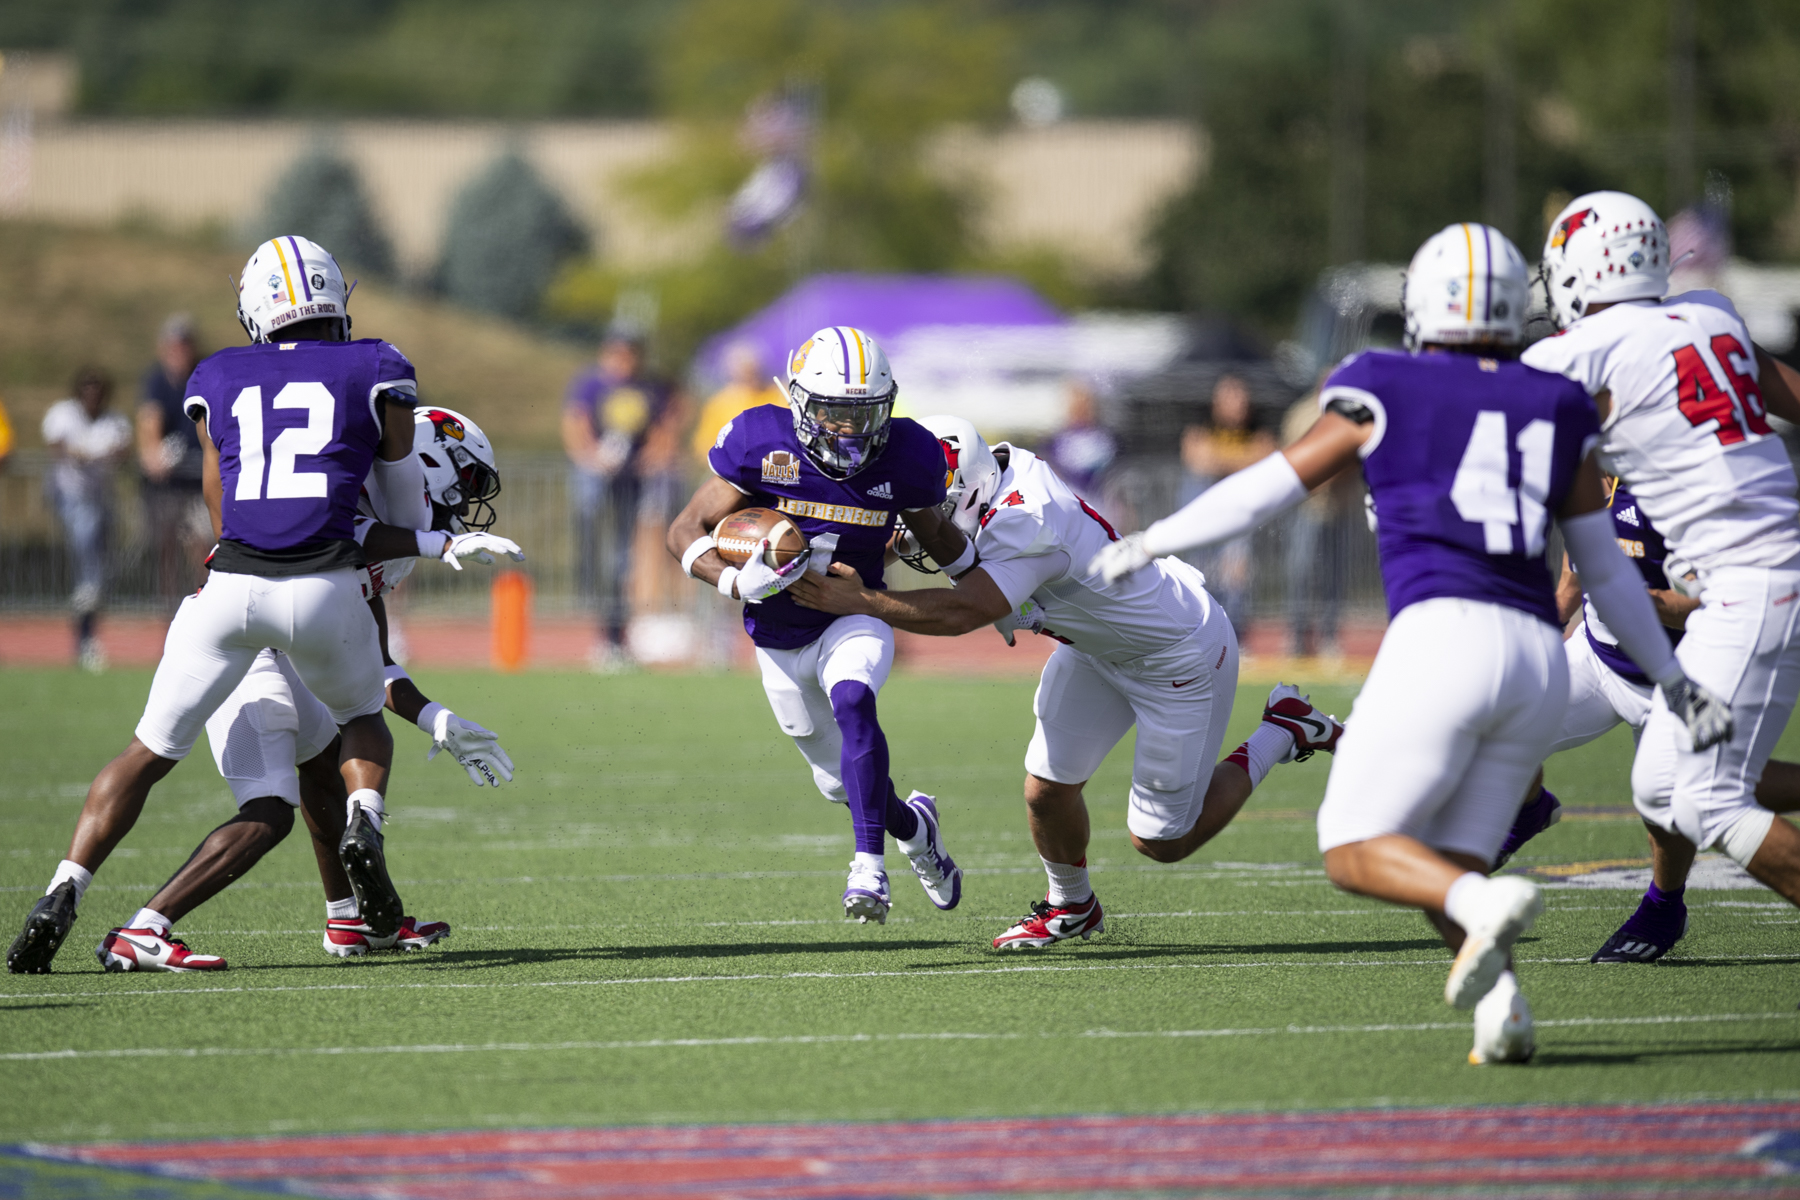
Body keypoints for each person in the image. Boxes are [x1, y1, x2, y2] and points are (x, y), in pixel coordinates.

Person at [1093, 222, 1730, 1065]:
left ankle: (1478, 899)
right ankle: (1501, 1005)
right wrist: (1672, 681)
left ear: (1424, 306)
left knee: (1355, 849)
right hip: (1540, 654)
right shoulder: (1555, 398)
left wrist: (1154, 539)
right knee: (1449, 857)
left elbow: (1271, 486)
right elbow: (1604, 571)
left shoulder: (1381, 380)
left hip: (1443, 638)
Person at [8, 234, 455, 974]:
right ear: (334, 298)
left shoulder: (218, 374)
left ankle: (65, 886)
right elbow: (401, 494)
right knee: (347, 738)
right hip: (314, 585)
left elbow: (221, 495)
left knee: (155, 754)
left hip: (225, 586)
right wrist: (427, 541)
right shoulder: (375, 364)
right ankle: (149, 924)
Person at [792, 415, 1344, 950]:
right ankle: (1072, 907)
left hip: (1176, 656)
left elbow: (963, 611)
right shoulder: (991, 478)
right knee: (1047, 791)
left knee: (1162, 840)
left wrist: (861, 601)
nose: (918, 519)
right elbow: (961, 551)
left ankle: (1283, 729)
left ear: (965, 492)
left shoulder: (1026, 522)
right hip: (1099, 649)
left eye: (927, 507)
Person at [94, 406, 520, 971]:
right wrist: (432, 543)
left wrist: (436, 717)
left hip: (274, 646)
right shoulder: (344, 505)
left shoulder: (389, 523)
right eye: (464, 481)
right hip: (242, 644)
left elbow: (376, 659)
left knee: (325, 768)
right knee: (269, 810)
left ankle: (350, 920)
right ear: (428, 461)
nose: (465, 501)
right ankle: (144, 927)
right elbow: (347, 543)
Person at [1519, 190, 1800, 945]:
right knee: (1658, 786)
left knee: (1709, 800)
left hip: (1746, 586)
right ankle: (1658, 902)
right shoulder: (1711, 316)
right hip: (1752, 578)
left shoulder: (1575, 353)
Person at [665, 326, 964, 924]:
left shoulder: (908, 455)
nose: (850, 427)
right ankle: (916, 829)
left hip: (853, 614)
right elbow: (683, 530)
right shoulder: (758, 442)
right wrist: (731, 582)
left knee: (855, 702)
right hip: (776, 637)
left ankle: (868, 869)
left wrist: (1003, 589)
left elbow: (943, 543)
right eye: (834, 411)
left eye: (863, 412)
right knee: (842, 786)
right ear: (801, 401)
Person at [1495, 478, 1800, 964]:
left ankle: (1662, 907)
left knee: (1678, 797)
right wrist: (1553, 619)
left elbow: (1716, 606)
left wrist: (1634, 597)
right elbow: (1579, 560)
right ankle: (1529, 811)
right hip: (1597, 660)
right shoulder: (1582, 465)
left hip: (1673, 675)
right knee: (1504, 724)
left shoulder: (1679, 488)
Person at [561, 327, 679, 671]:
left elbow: (664, 428)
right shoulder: (591, 384)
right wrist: (591, 457)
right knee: (596, 537)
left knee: (622, 557)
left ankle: (617, 636)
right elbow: (576, 423)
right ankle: (585, 578)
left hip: (633, 482)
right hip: (598, 475)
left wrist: (655, 457)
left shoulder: (649, 386)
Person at [41, 367, 132, 672]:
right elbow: (56, 444)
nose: (92, 394)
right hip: (71, 497)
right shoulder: (64, 414)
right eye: (87, 388)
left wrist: (105, 454)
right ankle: (86, 619)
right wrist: (78, 453)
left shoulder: (113, 420)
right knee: (89, 558)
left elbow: (124, 449)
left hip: (101, 498)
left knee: (103, 563)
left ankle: (89, 601)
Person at [1176, 374, 1273, 635]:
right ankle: (1205, 634)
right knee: (1203, 576)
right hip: (1204, 521)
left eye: (1241, 398)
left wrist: (1218, 460)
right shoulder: (1201, 424)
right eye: (1231, 398)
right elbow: (1197, 459)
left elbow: (1265, 458)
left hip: (1239, 521)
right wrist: (1240, 461)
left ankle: (1236, 635)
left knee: (1236, 578)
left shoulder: (1258, 428)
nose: (1238, 404)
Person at [137, 313, 210, 603]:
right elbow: (149, 420)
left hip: (197, 481)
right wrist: (154, 456)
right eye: (174, 346)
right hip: (168, 485)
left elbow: (207, 422)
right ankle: (167, 605)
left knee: (201, 543)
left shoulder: (202, 376)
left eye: (184, 345)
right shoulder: (156, 380)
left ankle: (203, 598)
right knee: (165, 545)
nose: (179, 352)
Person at [691, 341, 787, 460]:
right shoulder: (720, 404)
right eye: (745, 372)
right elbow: (704, 445)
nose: (751, 377)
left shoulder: (779, 394)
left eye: (753, 370)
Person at [1041, 380, 1116, 496]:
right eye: (1076, 404)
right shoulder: (1056, 441)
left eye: (1085, 404)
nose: (1081, 409)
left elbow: (1115, 474)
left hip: (1101, 500)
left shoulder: (1107, 438)